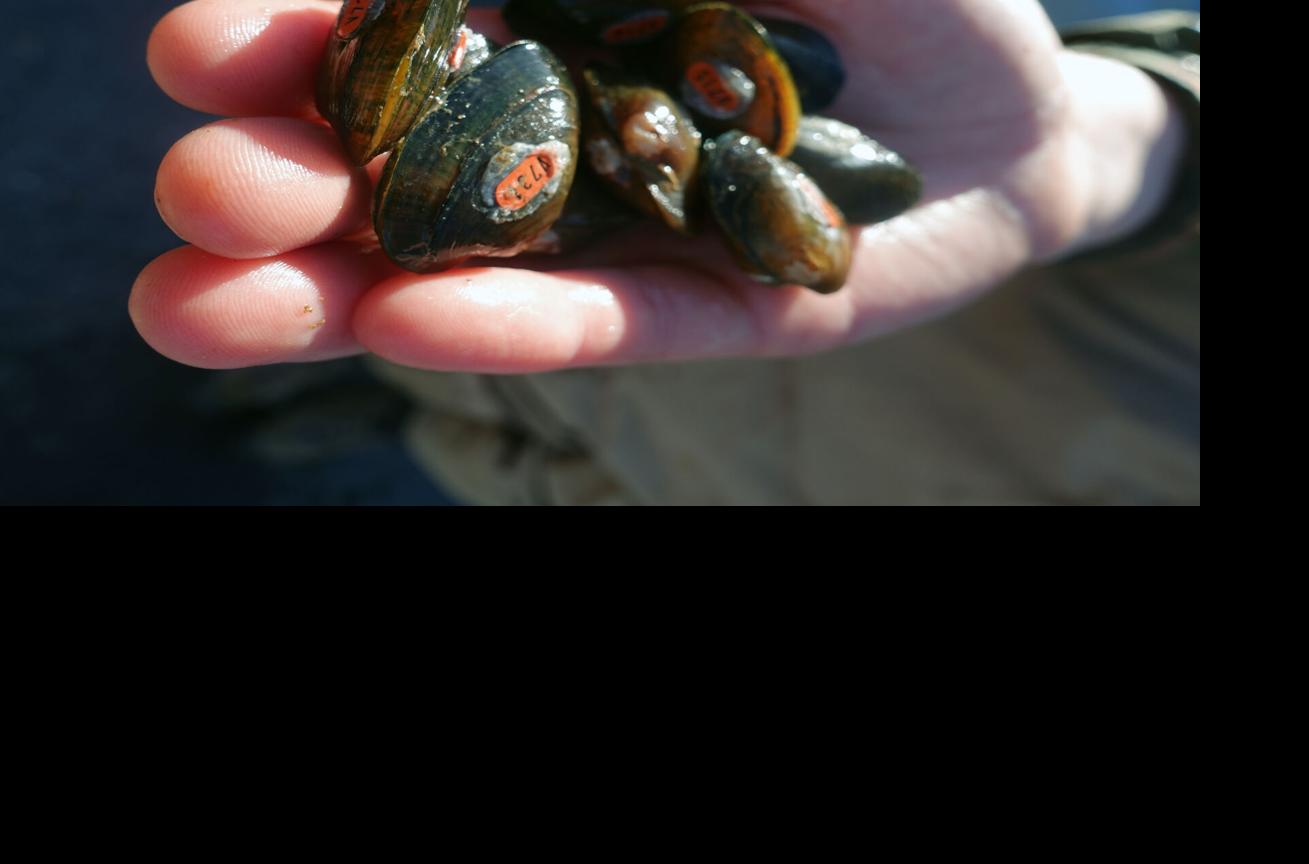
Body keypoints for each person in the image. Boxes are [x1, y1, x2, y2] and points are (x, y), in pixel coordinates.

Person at [134, 0, 1200, 504]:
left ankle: (426, 419)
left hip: (720, 464)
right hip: (622, 305)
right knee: (443, 319)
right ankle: (399, 396)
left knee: (487, 385)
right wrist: (1106, 150)